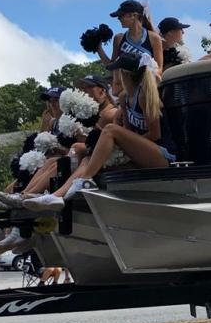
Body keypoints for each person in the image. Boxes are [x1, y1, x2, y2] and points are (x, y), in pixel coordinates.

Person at [23, 51, 174, 211]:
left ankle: (84, 180)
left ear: (125, 73)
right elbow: (129, 132)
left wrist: (124, 145)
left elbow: (155, 134)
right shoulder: (125, 98)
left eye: (116, 71)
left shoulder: (144, 95)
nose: (114, 76)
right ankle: (56, 196)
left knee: (110, 130)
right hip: (140, 151)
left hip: (162, 154)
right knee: (89, 158)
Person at [98, 0, 164, 86]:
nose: (118, 18)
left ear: (134, 15)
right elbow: (112, 68)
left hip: (146, 88)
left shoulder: (154, 38)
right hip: (125, 89)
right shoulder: (118, 38)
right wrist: (99, 48)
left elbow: (159, 69)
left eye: (121, 15)